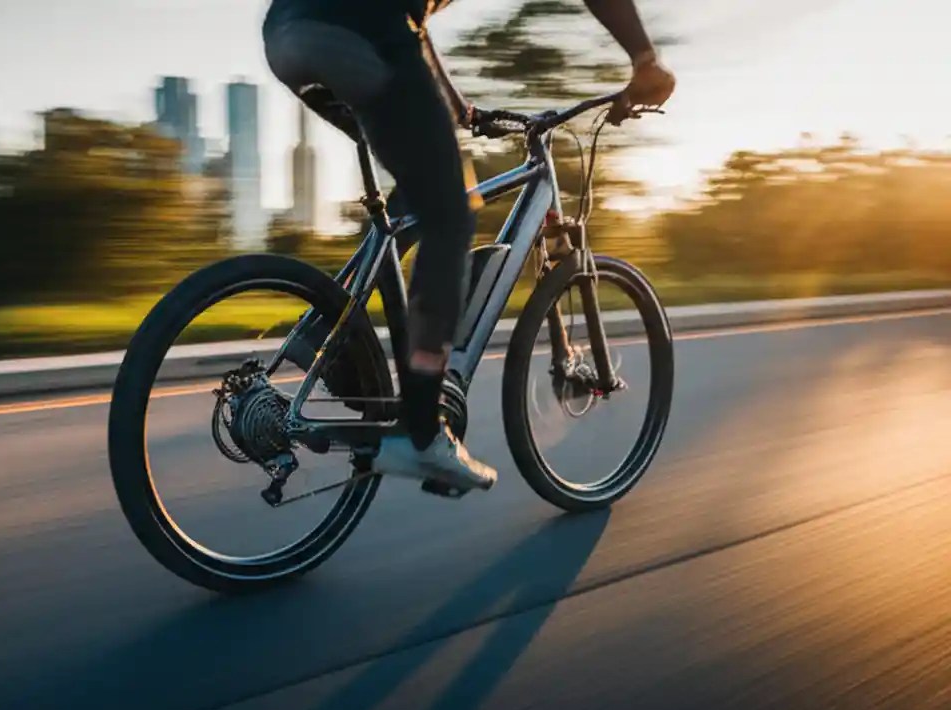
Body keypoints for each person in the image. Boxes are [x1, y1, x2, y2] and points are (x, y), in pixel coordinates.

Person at [264, 0, 675, 494]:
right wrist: (644, 58)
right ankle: (421, 431)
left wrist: (458, 109)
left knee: (420, 188)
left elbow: (413, 23)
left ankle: (331, 333)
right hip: (359, 30)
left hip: (291, 33)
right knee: (454, 214)